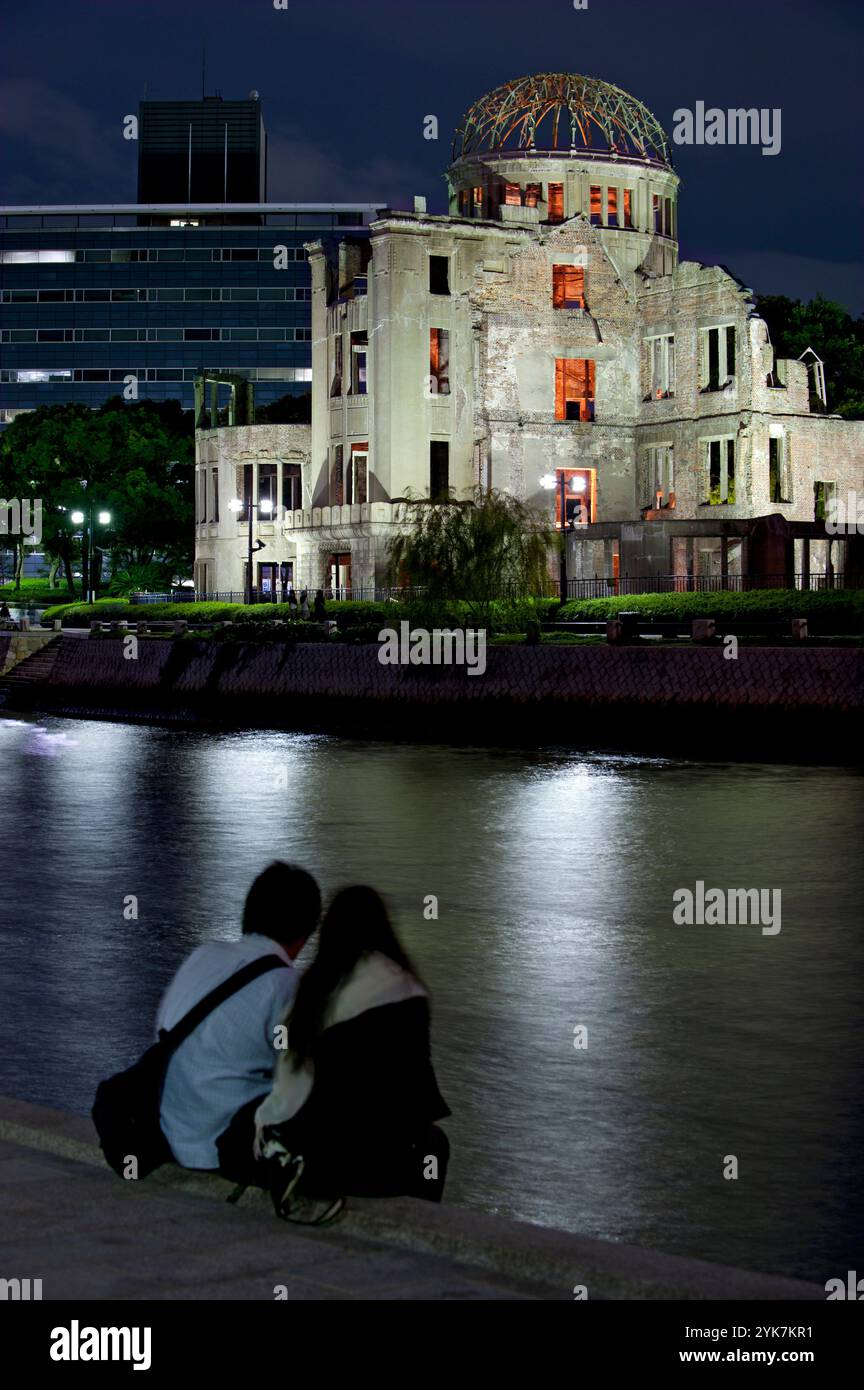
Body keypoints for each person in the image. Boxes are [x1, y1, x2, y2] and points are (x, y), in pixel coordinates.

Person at [253, 885, 450, 1223]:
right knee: (436, 1144)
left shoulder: (314, 989)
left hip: (326, 1161)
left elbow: (291, 1082)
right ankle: (423, 1221)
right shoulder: (410, 992)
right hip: (392, 1164)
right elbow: (420, 1092)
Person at [155, 862, 321, 1177]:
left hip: (169, 1133)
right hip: (223, 1148)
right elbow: (298, 1074)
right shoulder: (286, 984)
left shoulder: (203, 956)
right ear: (305, 935)